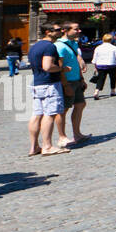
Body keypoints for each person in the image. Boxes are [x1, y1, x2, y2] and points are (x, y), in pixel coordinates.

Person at [27, 26, 69, 156]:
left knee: (36, 114)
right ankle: (47, 146)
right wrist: (63, 69)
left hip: (37, 83)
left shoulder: (34, 46)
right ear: (48, 32)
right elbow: (47, 66)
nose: (60, 31)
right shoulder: (50, 46)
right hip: (49, 84)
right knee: (49, 114)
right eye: (57, 30)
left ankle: (34, 147)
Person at [56, 23, 88, 146]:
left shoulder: (73, 43)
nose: (79, 31)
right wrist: (65, 85)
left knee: (80, 104)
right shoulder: (59, 46)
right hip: (67, 81)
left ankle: (77, 134)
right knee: (63, 109)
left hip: (76, 80)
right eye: (76, 29)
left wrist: (81, 78)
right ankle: (62, 137)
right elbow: (60, 67)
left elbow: (75, 61)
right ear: (65, 30)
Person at [90, 32, 116, 98]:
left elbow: (94, 58)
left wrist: (95, 66)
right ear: (111, 40)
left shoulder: (98, 48)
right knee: (113, 78)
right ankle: (112, 91)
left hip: (100, 65)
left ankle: (96, 91)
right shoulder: (114, 47)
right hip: (111, 65)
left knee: (100, 79)